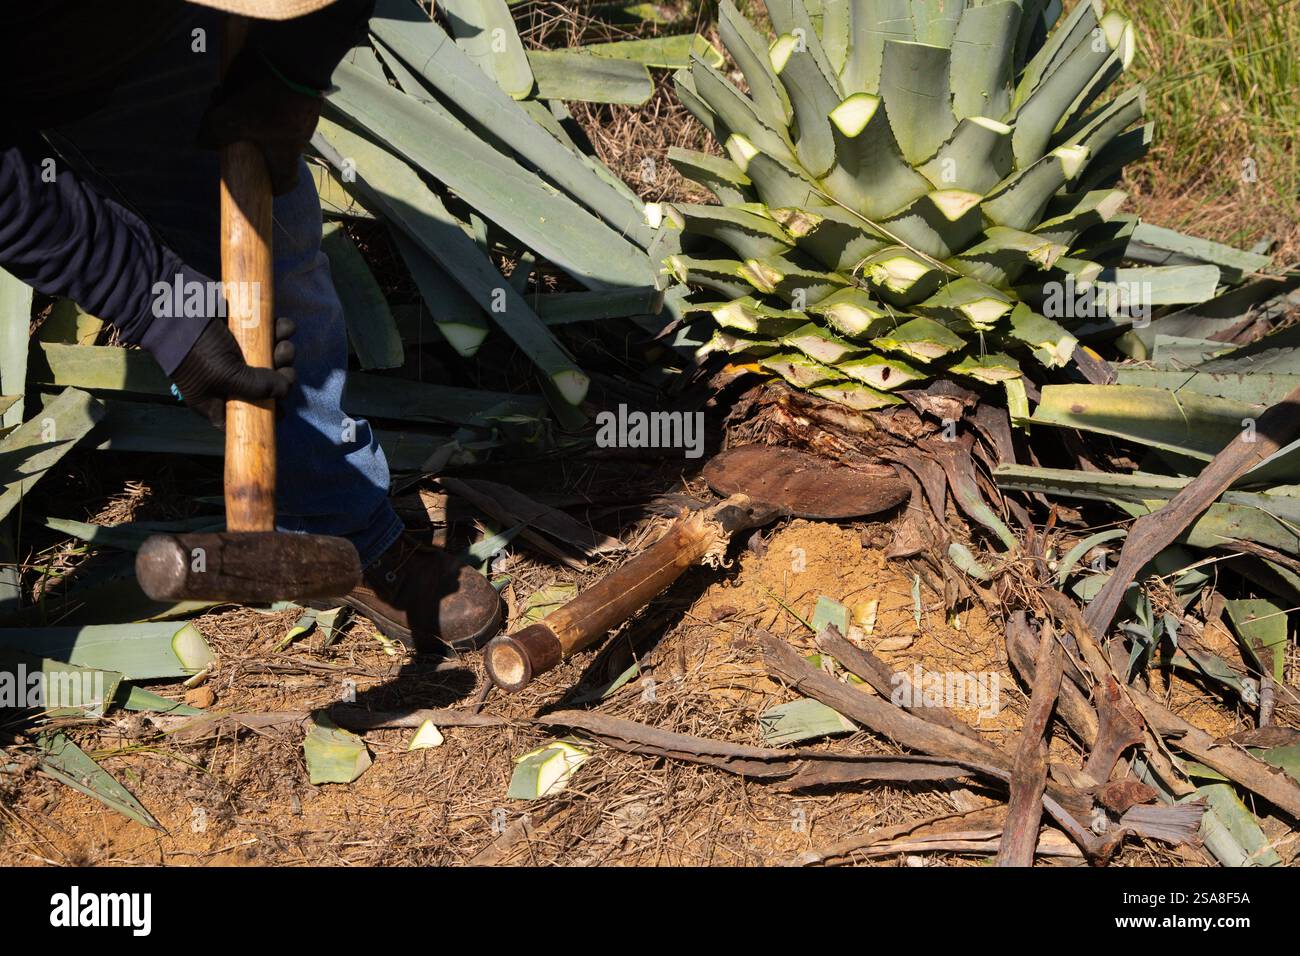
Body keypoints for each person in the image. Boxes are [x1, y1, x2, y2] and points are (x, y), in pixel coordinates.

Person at [1, 0, 502, 653]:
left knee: (278, 256)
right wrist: (161, 304)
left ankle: (340, 531)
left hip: (135, 40)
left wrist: (290, 74)